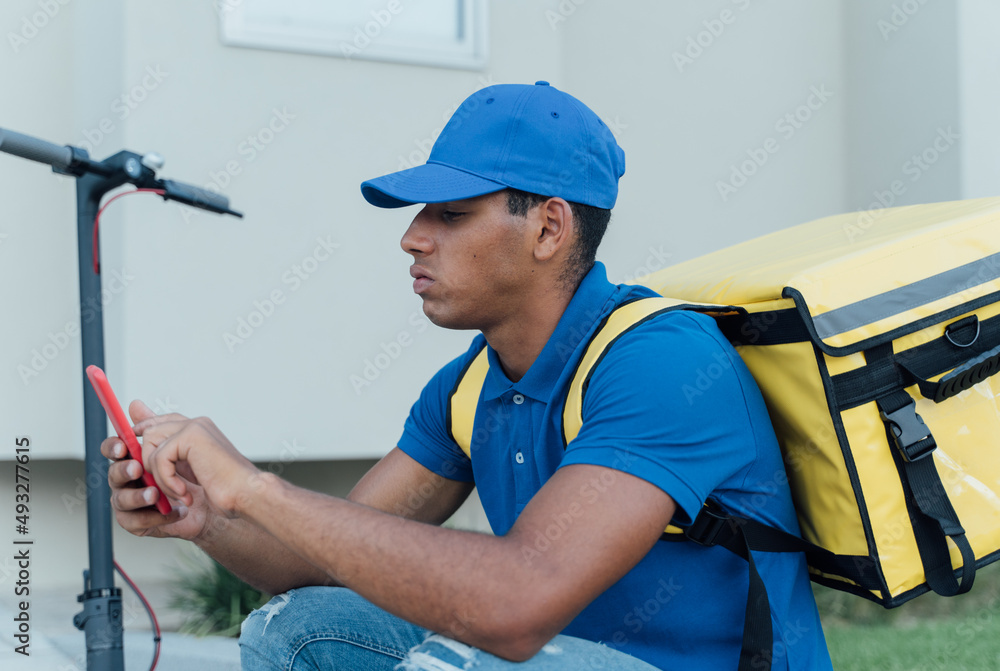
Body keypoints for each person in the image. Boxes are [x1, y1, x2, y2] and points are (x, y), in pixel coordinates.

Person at [103, 81, 833, 670]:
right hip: (553, 657)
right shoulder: (472, 385)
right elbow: (319, 562)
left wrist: (257, 485)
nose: (412, 236)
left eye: (451, 213)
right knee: (298, 626)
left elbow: (517, 604)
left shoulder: (663, 362)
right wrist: (211, 515)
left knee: (464, 660)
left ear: (549, 228)